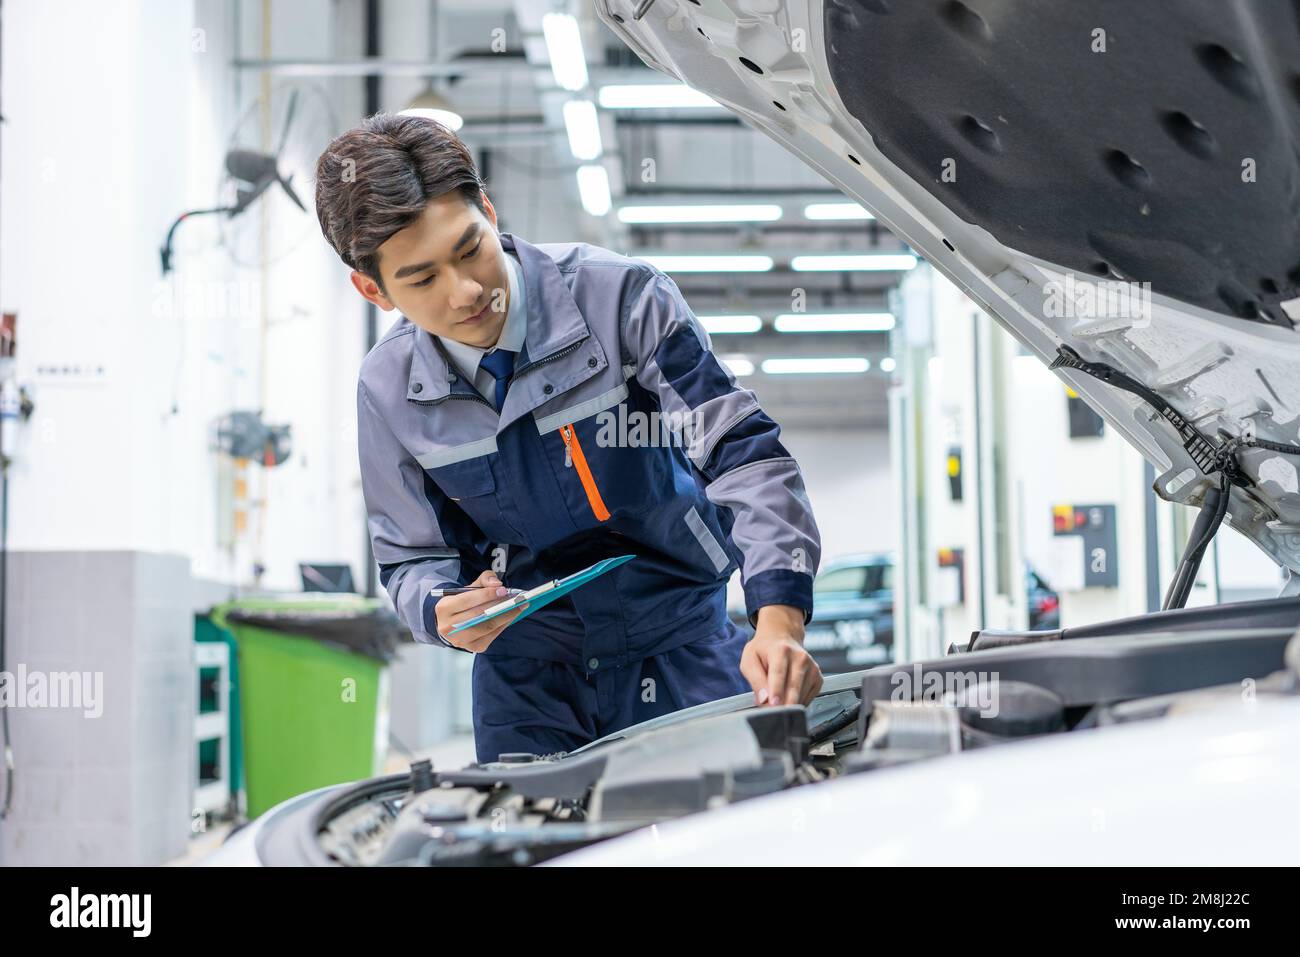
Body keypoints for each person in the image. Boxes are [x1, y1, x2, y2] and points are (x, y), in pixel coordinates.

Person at [314, 111, 824, 763]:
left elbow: (742, 452)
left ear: (490, 213)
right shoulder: (387, 393)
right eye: (422, 278)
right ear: (372, 289)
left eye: (471, 248)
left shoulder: (624, 301)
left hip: (681, 646)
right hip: (527, 683)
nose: (466, 290)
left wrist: (778, 617)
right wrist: (443, 607)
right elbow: (411, 557)